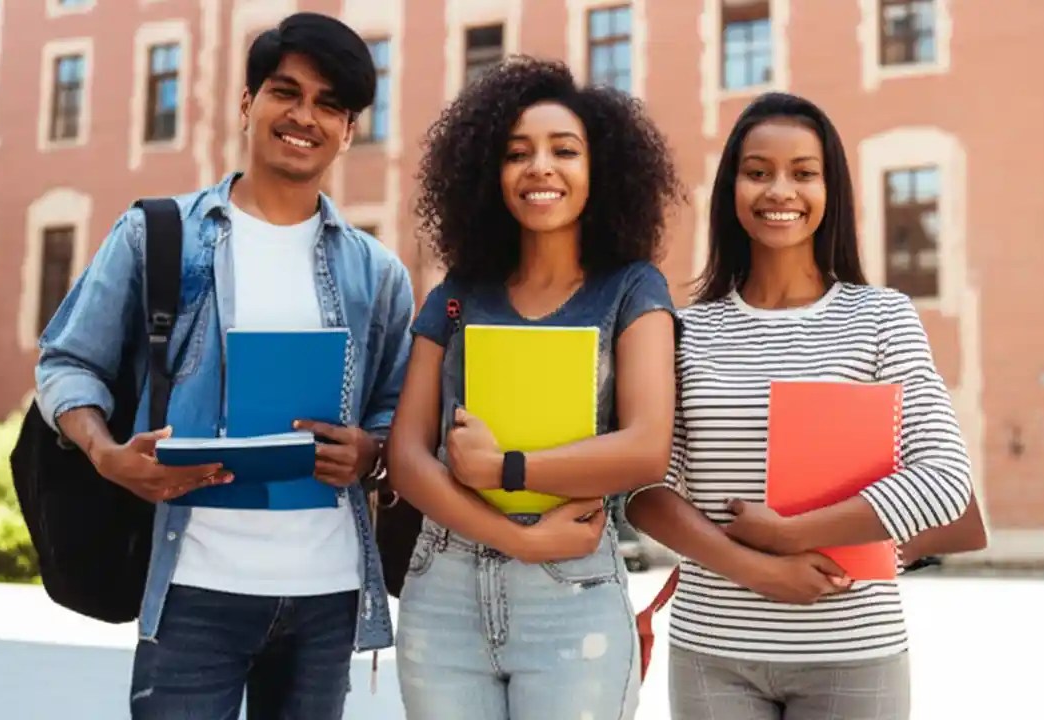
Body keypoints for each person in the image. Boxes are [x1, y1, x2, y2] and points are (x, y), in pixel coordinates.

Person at [34, 13, 413, 719]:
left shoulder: (379, 275)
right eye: (285, 92)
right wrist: (107, 452)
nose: (305, 117)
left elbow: (397, 410)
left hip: (327, 596)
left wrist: (370, 450)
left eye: (330, 105)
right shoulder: (156, 236)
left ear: (350, 128)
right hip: (192, 591)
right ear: (247, 103)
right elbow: (66, 361)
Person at [626, 91, 975, 720]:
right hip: (714, 650)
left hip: (853, 652)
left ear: (829, 189)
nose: (778, 190)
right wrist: (758, 569)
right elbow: (646, 490)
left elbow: (946, 481)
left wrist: (791, 534)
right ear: (732, 188)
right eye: (757, 172)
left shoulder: (882, 318)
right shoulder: (688, 330)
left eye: (803, 173)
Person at [385, 57, 682, 720]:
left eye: (564, 151)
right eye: (517, 153)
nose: (539, 167)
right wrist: (516, 537)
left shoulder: (633, 290)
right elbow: (407, 456)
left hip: (573, 589)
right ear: (491, 175)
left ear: (598, 171)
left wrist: (507, 468)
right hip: (446, 587)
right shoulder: (457, 294)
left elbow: (646, 448)